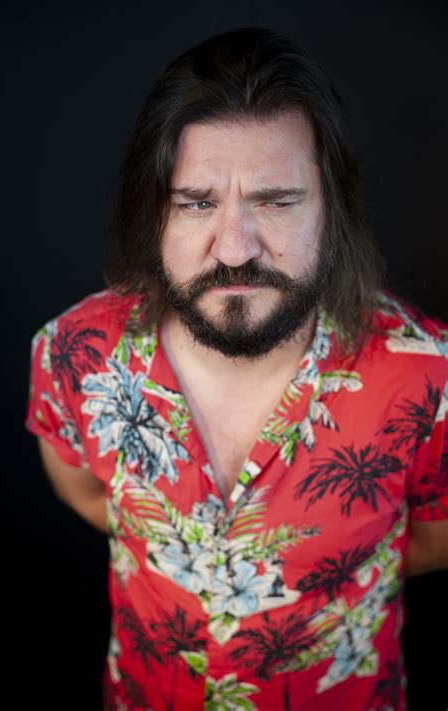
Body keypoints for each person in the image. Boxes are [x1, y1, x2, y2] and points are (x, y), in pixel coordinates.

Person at [24, 26, 448, 711]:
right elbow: (85, 495)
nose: (235, 249)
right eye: (196, 203)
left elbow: (430, 541)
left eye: (276, 201)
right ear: (153, 213)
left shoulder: (431, 378)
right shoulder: (73, 352)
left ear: (332, 211)